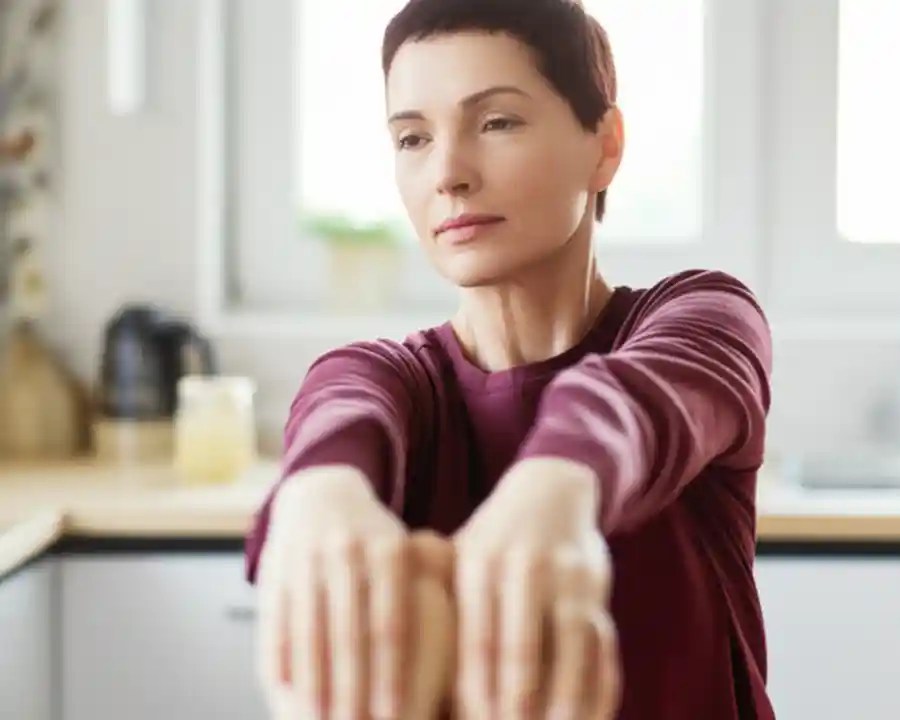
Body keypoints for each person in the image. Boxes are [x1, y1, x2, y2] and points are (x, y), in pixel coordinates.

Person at [245, 0, 775, 717]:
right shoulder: (385, 379)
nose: (448, 173)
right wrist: (318, 500)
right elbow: (336, 418)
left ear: (604, 143)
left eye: (496, 122)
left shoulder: (701, 316)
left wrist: (553, 493)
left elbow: (636, 400)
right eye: (412, 138)